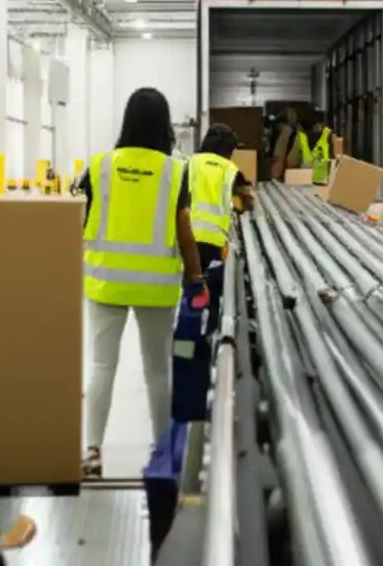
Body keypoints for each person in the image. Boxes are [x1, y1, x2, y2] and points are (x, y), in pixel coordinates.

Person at [77, 87, 204, 479]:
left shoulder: (98, 166)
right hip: (156, 286)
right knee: (158, 370)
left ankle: (92, 452)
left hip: (105, 283)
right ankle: (163, 448)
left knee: (101, 366)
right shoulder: (175, 170)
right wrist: (196, 277)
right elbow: (184, 228)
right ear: (165, 124)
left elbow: (77, 218)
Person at [189, 124, 252, 331]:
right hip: (215, 243)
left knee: (190, 292)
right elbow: (244, 204)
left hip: (186, 241)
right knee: (214, 294)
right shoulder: (231, 170)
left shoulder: (189, 163)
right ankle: (211, 334)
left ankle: (187, 341)